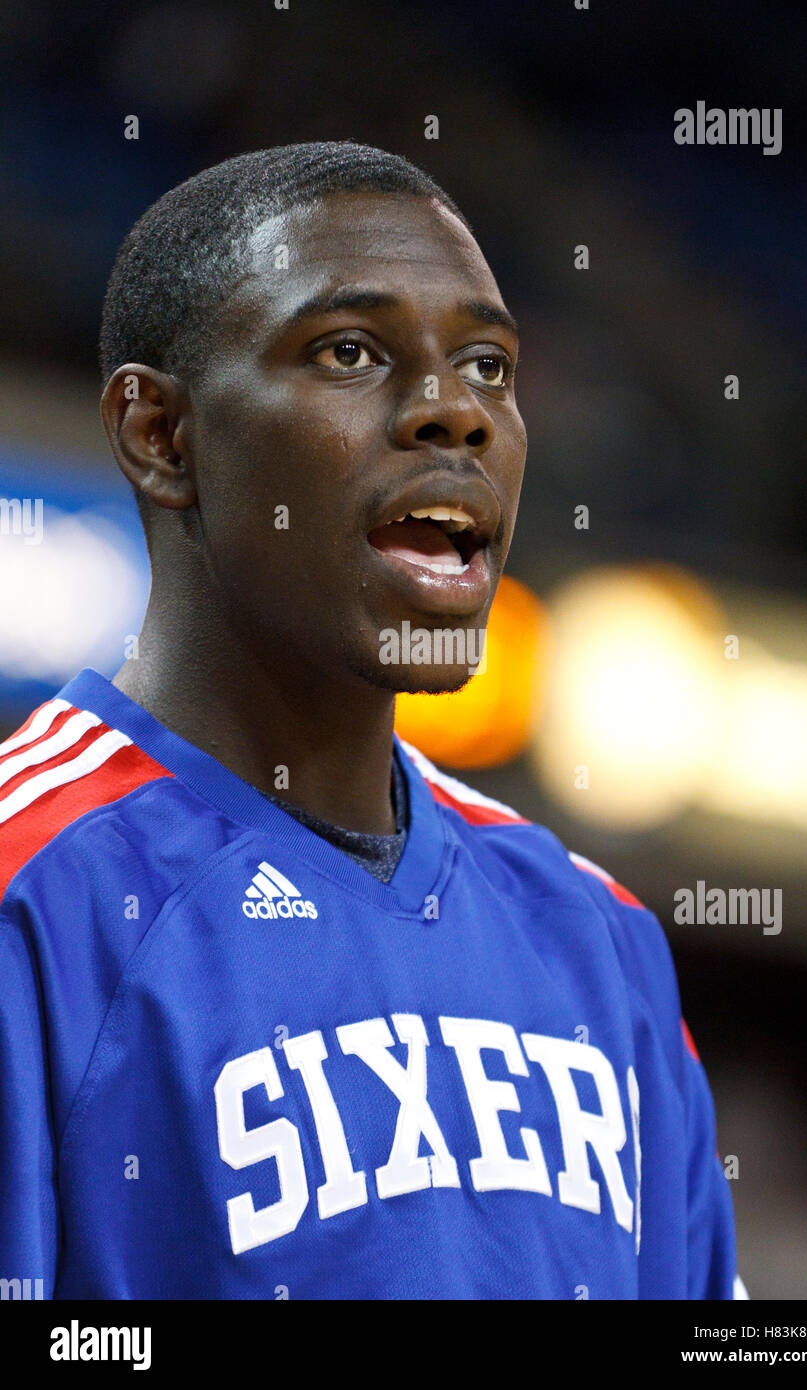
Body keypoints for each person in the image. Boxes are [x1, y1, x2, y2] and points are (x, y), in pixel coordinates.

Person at [0, 142, 745, 1299]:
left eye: (489, 365)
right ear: (160, 434)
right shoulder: (30, 892)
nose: (457, 413)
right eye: (350, 352)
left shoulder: (598, 942)